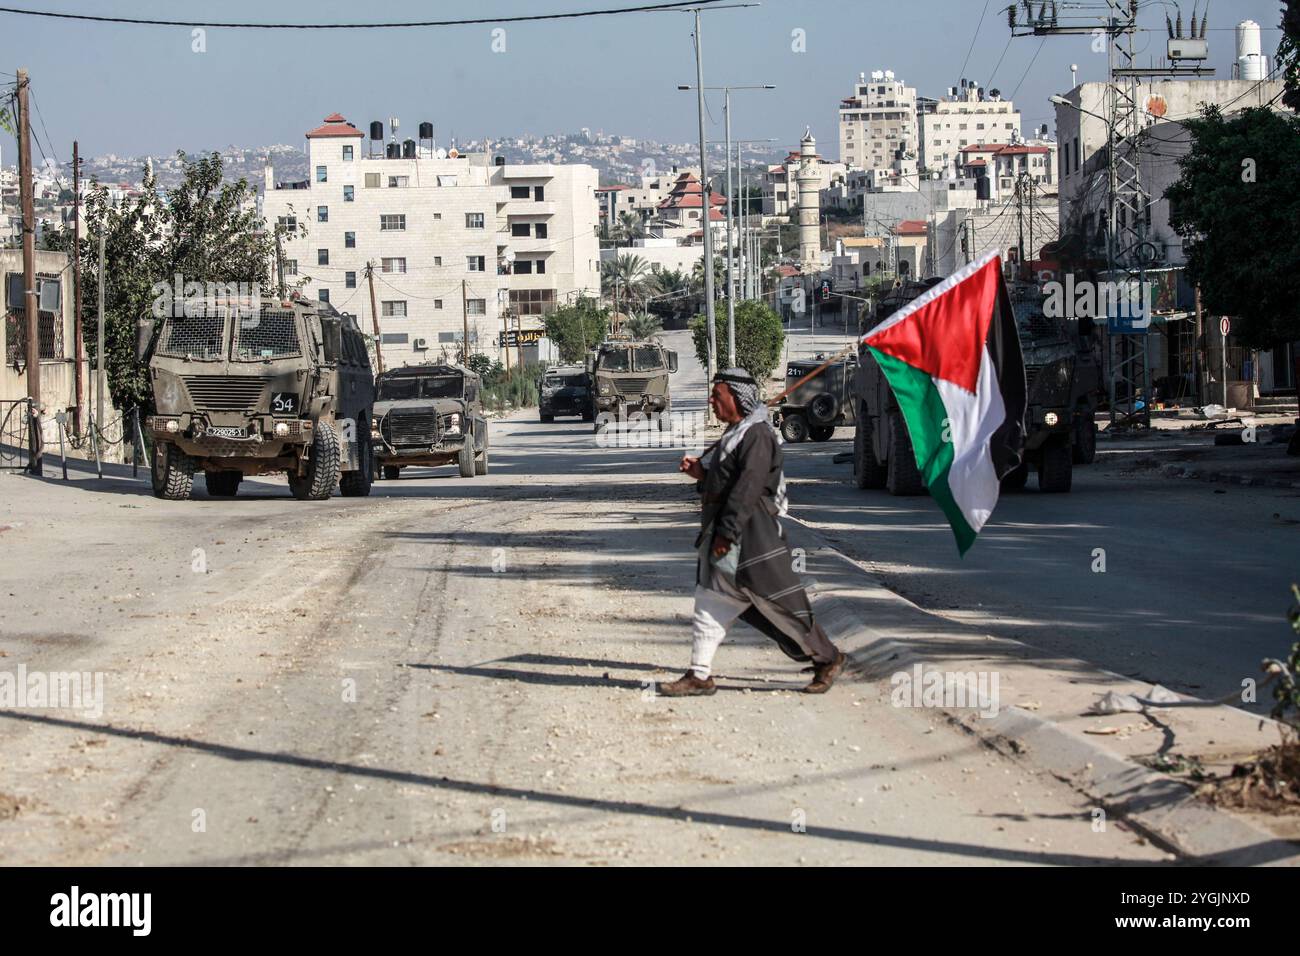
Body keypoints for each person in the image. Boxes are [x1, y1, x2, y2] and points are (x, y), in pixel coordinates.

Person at [658, 368, 846, 697]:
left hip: (752, 536)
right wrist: (702, 473)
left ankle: (828, 657)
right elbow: (726, 482)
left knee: (780, 605)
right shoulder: (737, 432)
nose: (712, 402)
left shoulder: (757, 435)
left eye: (717, 396)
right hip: (730, 535)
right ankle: (699, 674)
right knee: (710, 600)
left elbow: (747, 489)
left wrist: (726, 534)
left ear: (737, 398)